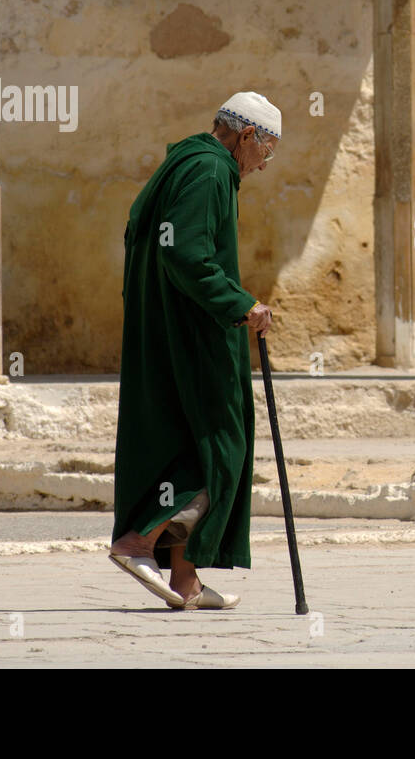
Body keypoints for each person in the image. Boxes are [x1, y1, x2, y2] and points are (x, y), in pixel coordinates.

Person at [108, 91, 281, 610]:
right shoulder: (208, 171)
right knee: (223, 446)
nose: (264, 164)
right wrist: (240, 303)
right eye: (266, 151)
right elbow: (185, 253)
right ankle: (138, 540)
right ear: (246, 136)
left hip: (169, 330)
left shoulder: (185, 162)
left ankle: (185, 579)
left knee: (188, 441)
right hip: (195, 333)